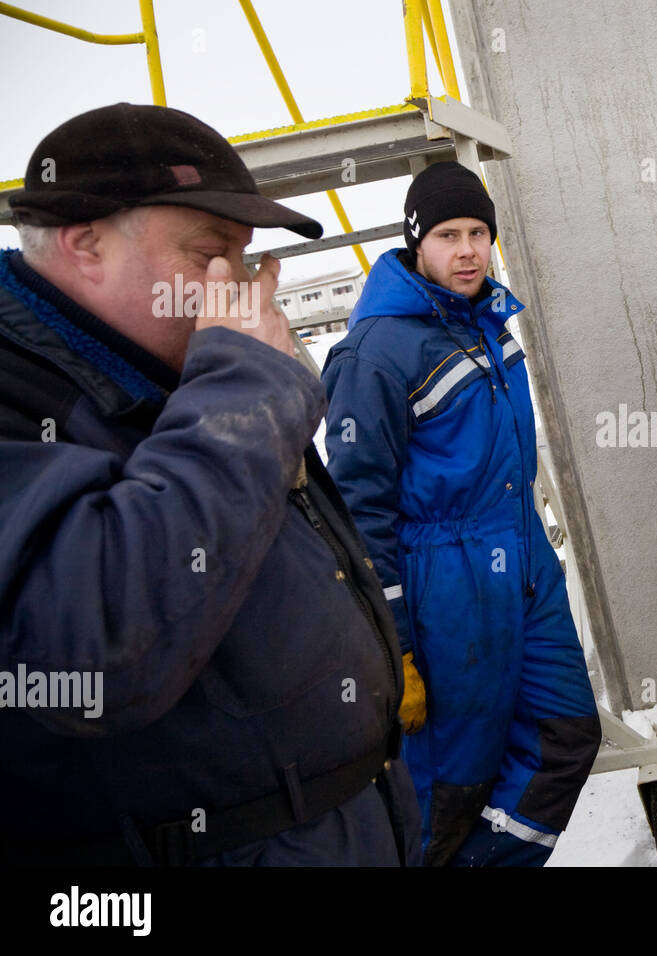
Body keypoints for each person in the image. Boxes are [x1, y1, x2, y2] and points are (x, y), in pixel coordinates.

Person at [0, 103, 421, 866]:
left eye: (248, 259)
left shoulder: (174, 367)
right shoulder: (25, 394)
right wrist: (242, 396)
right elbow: (92, 651)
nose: (243, 289)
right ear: (85, 242)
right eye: (208, 256)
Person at [321, 161, 600, 866]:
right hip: (443, 588)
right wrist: (395, 643)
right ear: (418, 243)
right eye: (449, 235)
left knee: (565, 738)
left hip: (521, 561)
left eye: (479, 232)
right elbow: (358, 508)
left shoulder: (488, 323)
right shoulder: (377, 352)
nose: (469, 249)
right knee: (452, 787)